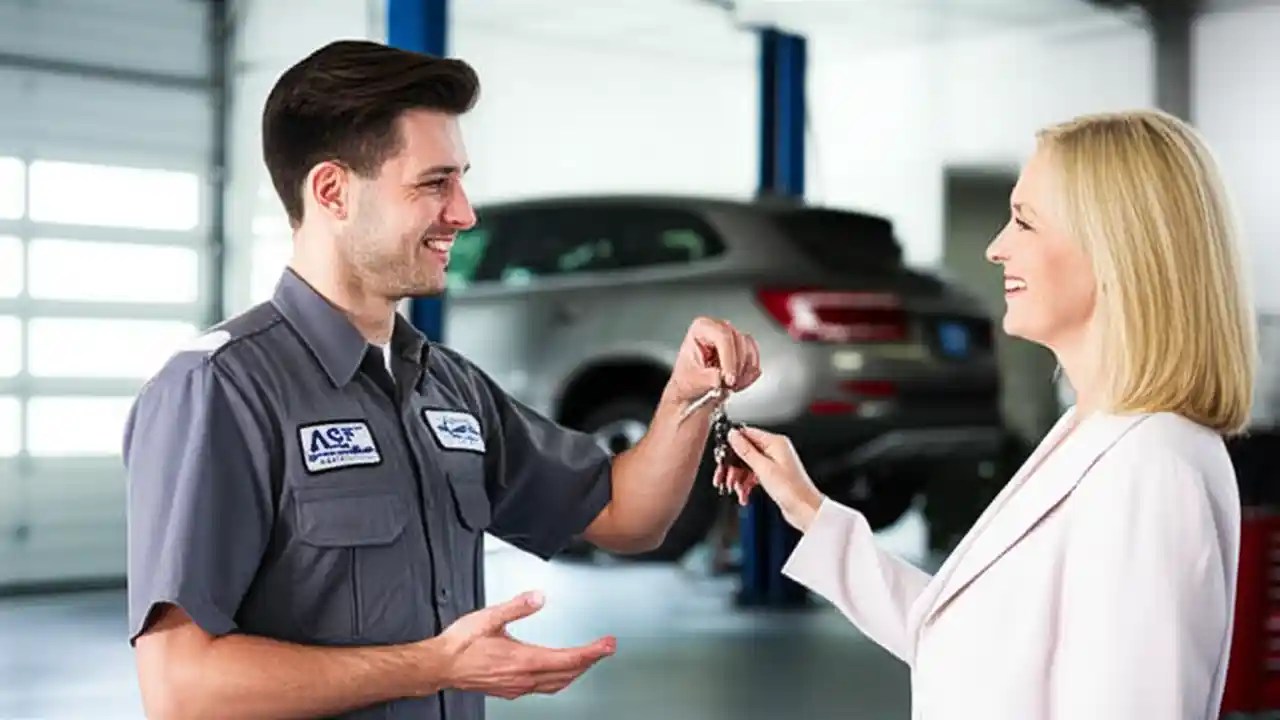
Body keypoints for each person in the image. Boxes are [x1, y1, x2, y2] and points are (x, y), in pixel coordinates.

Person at [122, 40, 760, 720]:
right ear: (333, 191)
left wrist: (687, 395)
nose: (465, 212)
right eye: (434, 183)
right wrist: (434, 667)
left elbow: (627, 518)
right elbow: (182, 688)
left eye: (461, 180)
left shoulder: (444, 385)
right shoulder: (219, 390)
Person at [725, 109, 1256, 719]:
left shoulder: (1151, 470)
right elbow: (966, 645)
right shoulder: (1097, 433)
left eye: (1024, 222)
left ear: (1115, 248)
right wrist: (811, 513)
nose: (997, 248)